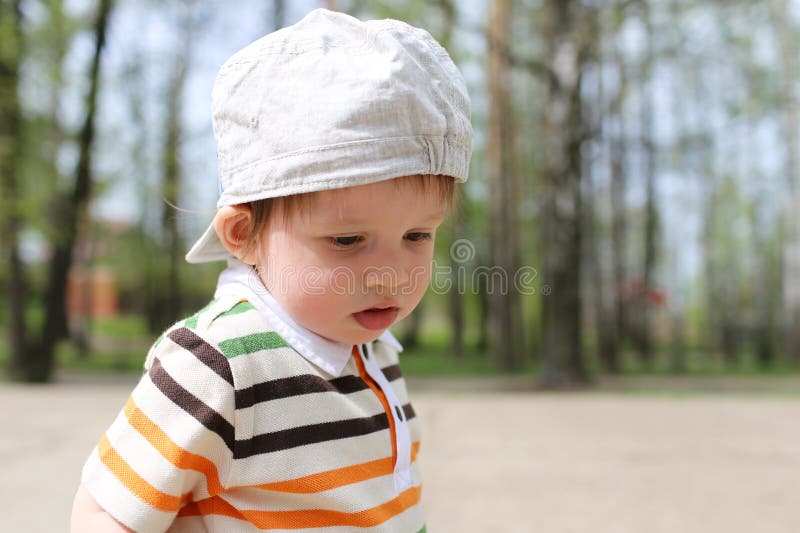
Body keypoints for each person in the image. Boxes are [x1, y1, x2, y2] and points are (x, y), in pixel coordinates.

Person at [70, 7, 471, 533]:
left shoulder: (370, 347)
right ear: (245, 236)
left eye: (417, 236)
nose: (390, 275)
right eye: (347, 240)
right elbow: (105, 510)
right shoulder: (220, 364)